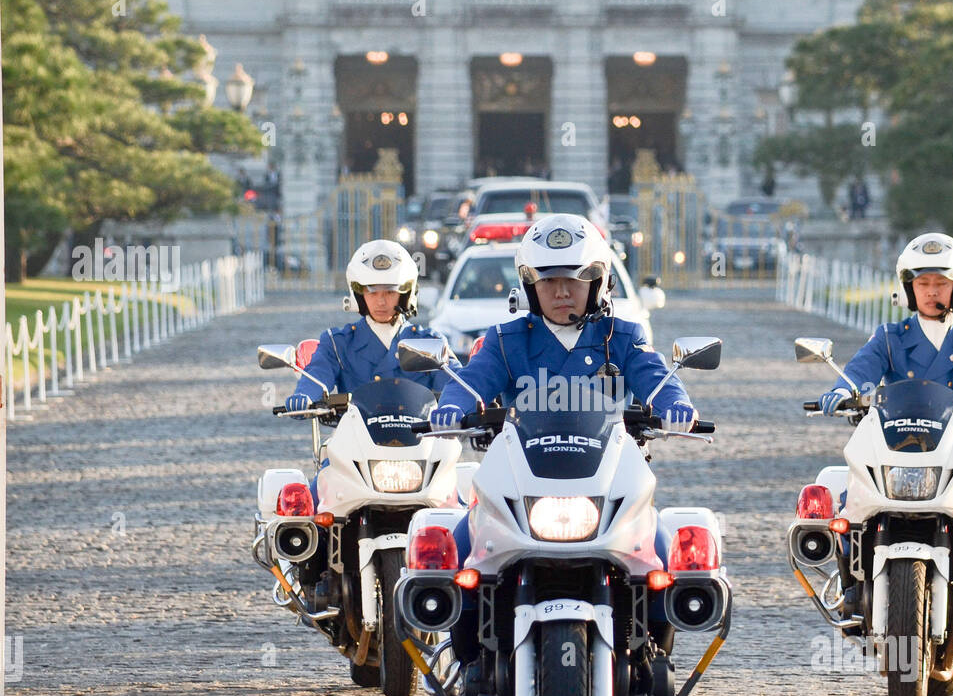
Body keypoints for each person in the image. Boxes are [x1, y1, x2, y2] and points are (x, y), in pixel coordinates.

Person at [429, 213, 698, 666]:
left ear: (598, 284)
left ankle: (652, 648)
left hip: (605, 477)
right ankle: (470, 655)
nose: (561, 292)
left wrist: (677, 404)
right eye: (549, 281)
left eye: (575, 280)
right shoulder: (503, 340)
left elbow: (656, 377)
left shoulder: (624, 336)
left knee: (665, 551)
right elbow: (472, 381)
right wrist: (452, 405)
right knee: (457, 546)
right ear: (529, 285)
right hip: (525, 474)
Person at [817, 232, 953, 619]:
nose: (932, 292)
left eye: (941, 283)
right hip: (898, 444)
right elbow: (861, 368)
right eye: (923, 283)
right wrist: (842, 389)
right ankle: (851, 583)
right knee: (849, 506)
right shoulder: (890, 336)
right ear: (909, 289)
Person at [285, 238, 459, 507]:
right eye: (372, 291)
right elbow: (318, 372)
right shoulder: (337, 341)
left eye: (389, 292)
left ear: (405, 293)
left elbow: (454, 381)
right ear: (359, 294)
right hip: (355, 448)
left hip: (420, 448)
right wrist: (305, 394)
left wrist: (461, 404)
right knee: (309, 507)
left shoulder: (429, 340)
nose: (381, 301)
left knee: (458, 508)